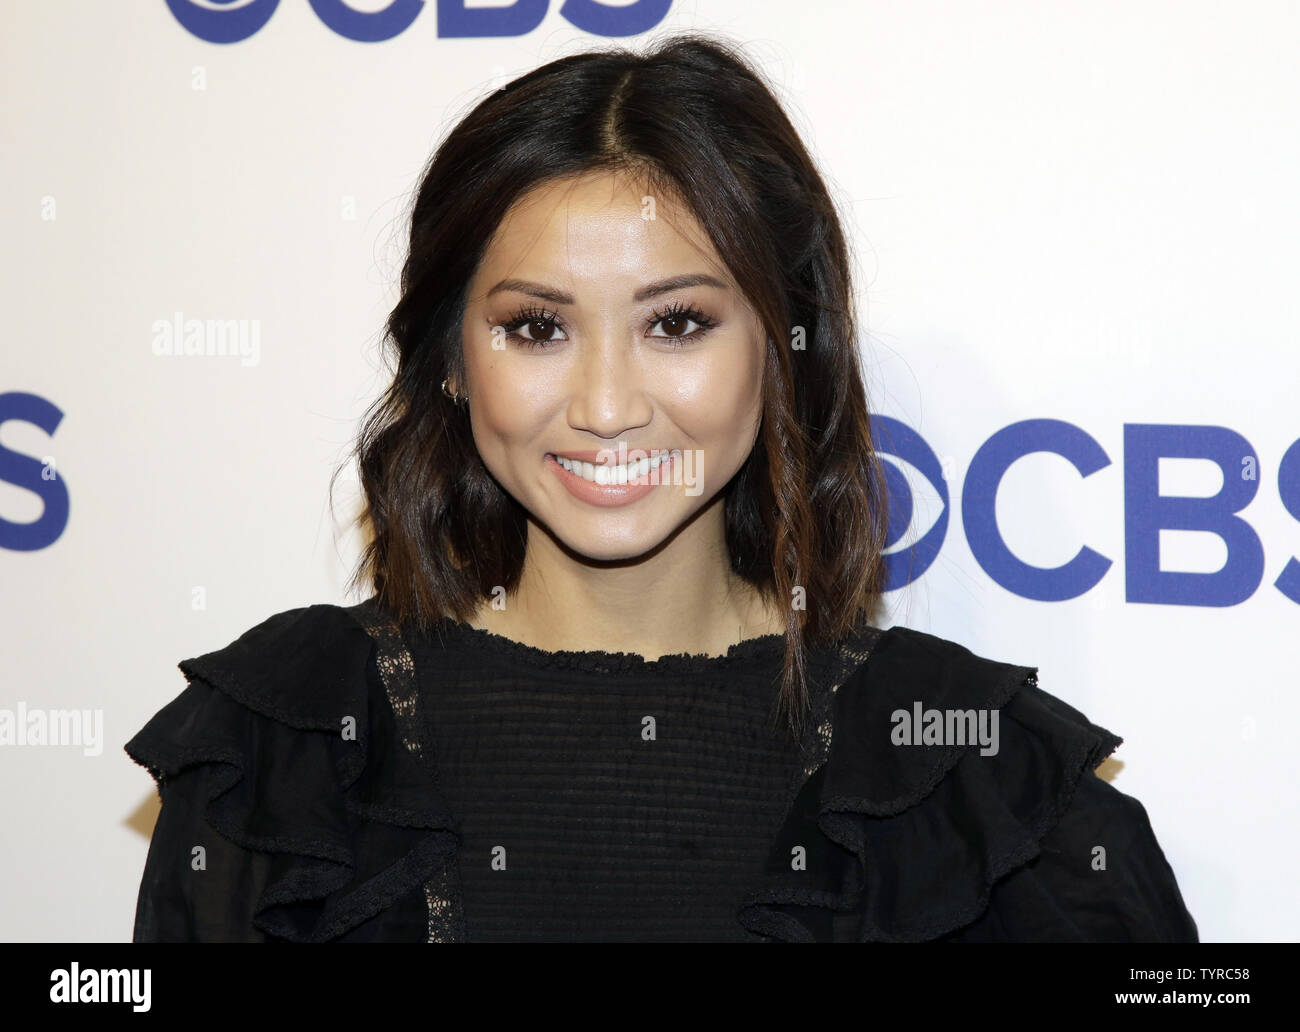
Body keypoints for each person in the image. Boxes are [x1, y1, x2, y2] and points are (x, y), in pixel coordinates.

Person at [124, 32, 1198, 943]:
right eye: (534, 327)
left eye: (675, 322)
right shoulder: (286, 750)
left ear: (784, 346)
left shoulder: (967, 768)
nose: (604, 405)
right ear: (451, 357)